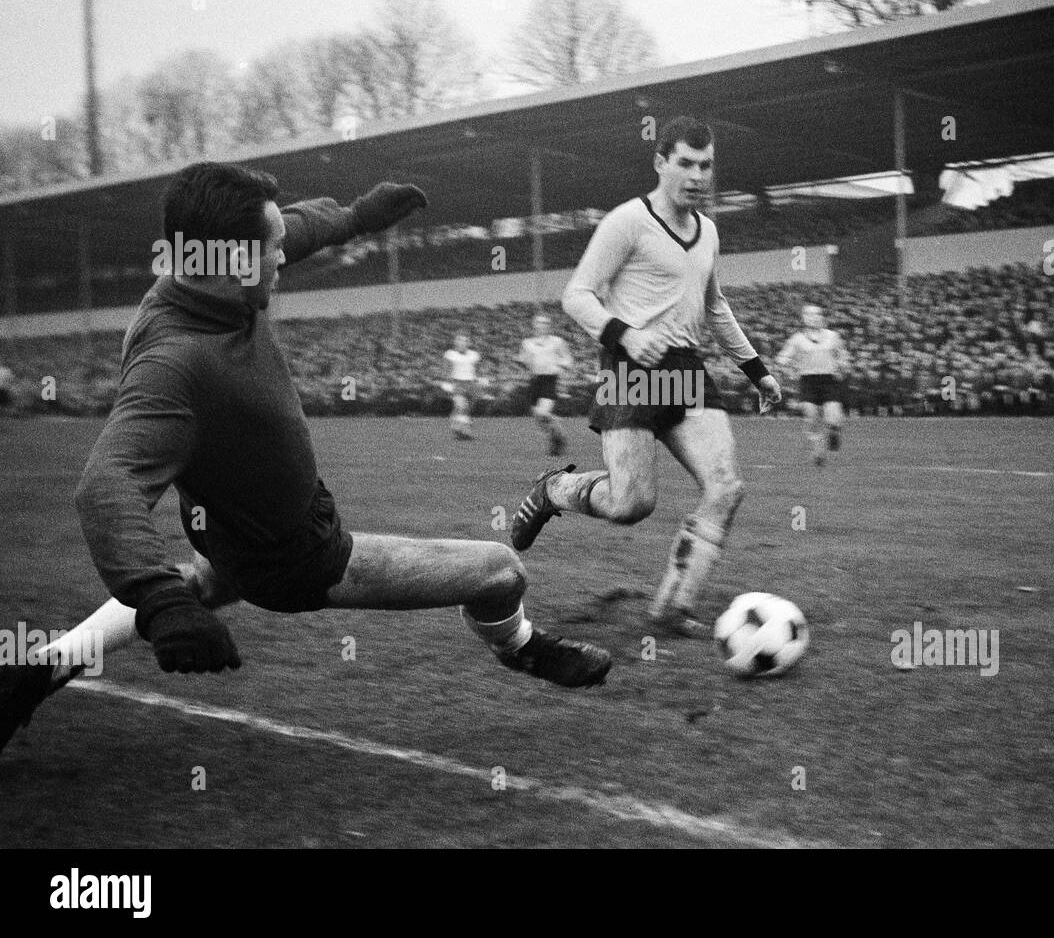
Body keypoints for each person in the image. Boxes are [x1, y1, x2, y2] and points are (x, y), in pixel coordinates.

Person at [1, 162, 610, 755]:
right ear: (234, 258)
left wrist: (355, 217)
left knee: (204, 579)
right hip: (299, 556)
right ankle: (522, 646)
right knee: (502, 570)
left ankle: (32, 674)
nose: (283, 258)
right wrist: (160, 605)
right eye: (272, 250)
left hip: (232, 538)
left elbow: (296, 226)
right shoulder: (174, 363)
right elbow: (105, 488)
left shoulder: (201, 277)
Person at [507, 117, 781, 636]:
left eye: (706, 165)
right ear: (660, 163)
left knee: (726, 487)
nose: (698, 175)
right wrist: (626, 335)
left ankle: (672, 607)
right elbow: (577, 294)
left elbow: (715, 307)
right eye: (686, 163)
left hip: (685, 369)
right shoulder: (627, 221)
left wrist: (757, 371)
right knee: (632, 504)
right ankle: (556, 490)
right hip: (631, 370)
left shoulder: (709, 233)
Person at [776, 304, 849, 466]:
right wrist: (785, 364)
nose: (813, 317)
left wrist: (843, 365)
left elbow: (842, 355)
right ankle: (818, 454)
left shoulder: (833, 336)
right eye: (808, 314)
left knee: (833, 418)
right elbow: (782, 358)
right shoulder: (797, 339)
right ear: (803, 318)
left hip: (829, 380)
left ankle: (834, 431)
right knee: (811, 418)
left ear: (822, 317)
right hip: (807, 381)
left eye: (816, 314)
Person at [516, 313, 573, 456]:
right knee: (539, 419)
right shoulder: (527, 343)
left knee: (543, 413)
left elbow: (568, 360)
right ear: (534, 325)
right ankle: (557, 438)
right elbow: (525, 362)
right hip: (534, 381)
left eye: (545, 323)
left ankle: (559, 436)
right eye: (539, 322)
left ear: (550, 326)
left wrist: (560, 365)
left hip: (550, 380)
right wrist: (521, 362)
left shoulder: (558, 342)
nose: (542, 325)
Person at [443, 333, 481, 440]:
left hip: (471, 384)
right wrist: (447, 383)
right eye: (459, 340)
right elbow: (446, 369)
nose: (462, 343)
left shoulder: (474, 355)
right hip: (457, 383)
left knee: (466, 409)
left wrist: (478, 381)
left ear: (468, 343)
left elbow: (476, 370)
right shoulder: (450, 354)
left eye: (464, 340)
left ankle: (457, 427)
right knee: (461, 406)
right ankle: (464, 430)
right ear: (455, 342)